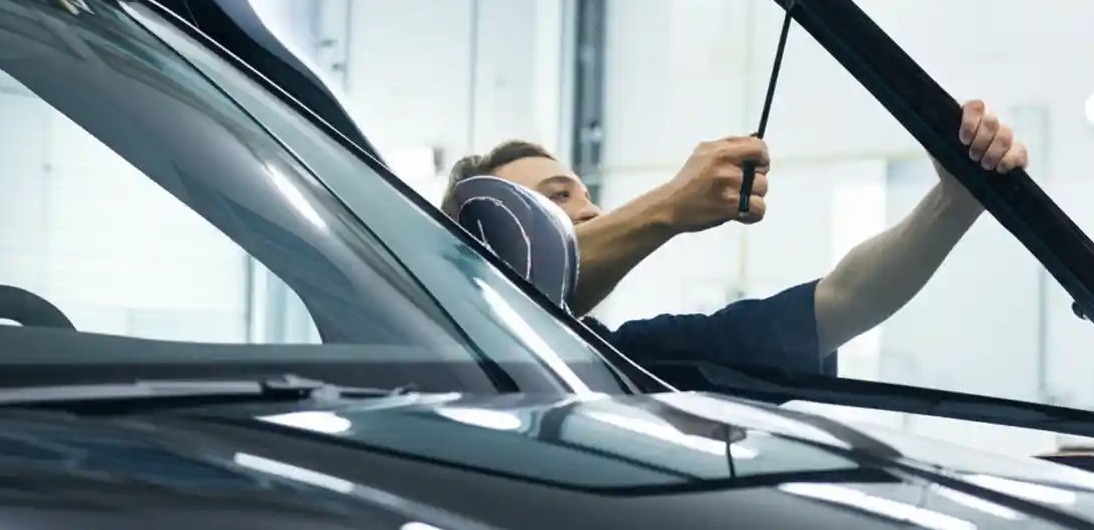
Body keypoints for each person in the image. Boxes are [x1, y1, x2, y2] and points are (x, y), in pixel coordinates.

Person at [440, 99, 1028, 377]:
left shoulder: (637, 360)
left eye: (579, 193)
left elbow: (843, 301)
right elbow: (500, 300)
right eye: (551, 200)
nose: (587, 209)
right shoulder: (437, 371)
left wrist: (956, 201)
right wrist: (670, 205)